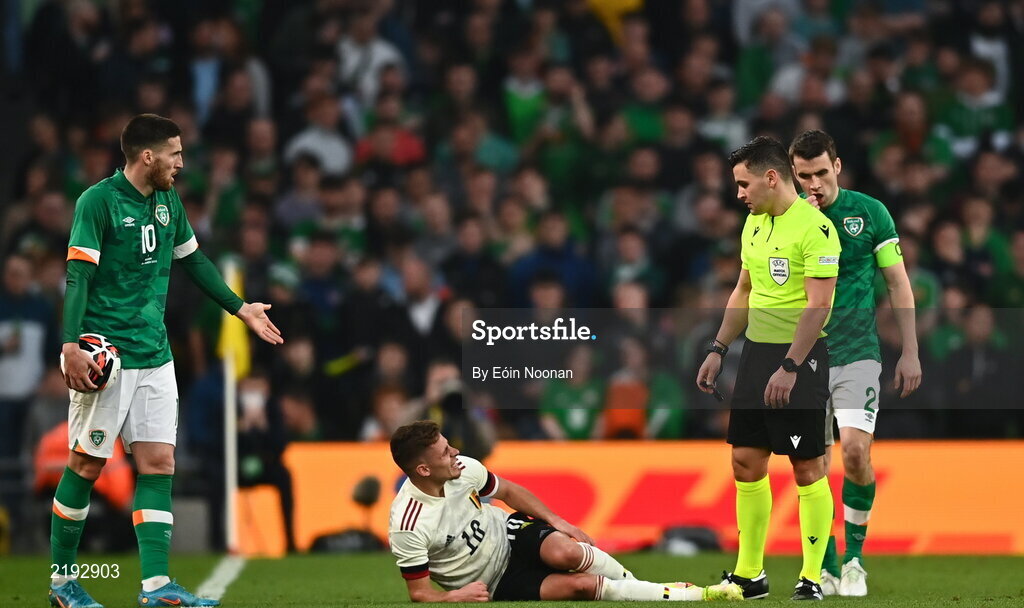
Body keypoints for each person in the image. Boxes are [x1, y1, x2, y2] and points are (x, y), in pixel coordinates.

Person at [51, 114, 284, 608]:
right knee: (87, 464)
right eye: (175, 154)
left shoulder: (167, 201)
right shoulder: (97, 202)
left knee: (158, 464)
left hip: (156, 354)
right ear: (148, 156)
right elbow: (77, 277)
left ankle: (156, 588)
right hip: (106, 356)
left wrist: (239, 308)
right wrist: (71, 345)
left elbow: (193, 260)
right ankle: (63, 583)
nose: (182, 163)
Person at [696, 136, 840, 600]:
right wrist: (719, 348)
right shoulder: (753, 225)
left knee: (806, 467)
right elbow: (743, 291)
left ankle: (812, 577)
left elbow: (818, 306)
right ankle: (749, 575)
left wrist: (792, 365)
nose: (739, 194)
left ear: (771, 177)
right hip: (758, 355)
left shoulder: (815, 230)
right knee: (745, 461)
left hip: (803, 357)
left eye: (744, 184)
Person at [387, 420, 742, 602]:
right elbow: (420, 594)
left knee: (567, 551)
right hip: (495, 582)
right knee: (583, 587)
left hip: (509, 535)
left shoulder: (462, 470)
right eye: (446, 452)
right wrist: (455, 596)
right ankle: (696, 595)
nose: (455, 453)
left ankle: (655, 590)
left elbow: (507, 490)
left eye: (450, 446)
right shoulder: (409, 524)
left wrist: (557, 520)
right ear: (422, 470)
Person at [789, 130, 921, 597]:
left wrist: (910, 350)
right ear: (792, 175)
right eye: (803, 176)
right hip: (802, 359)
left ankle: (854, 560)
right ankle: (822, 566)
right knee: (813, 465)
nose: (814, 184)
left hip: (857, 353)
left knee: (854, 453)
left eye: (821, 173)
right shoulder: (786, 221)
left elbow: (898, 283)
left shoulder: (869, 213)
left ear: (837, 167)